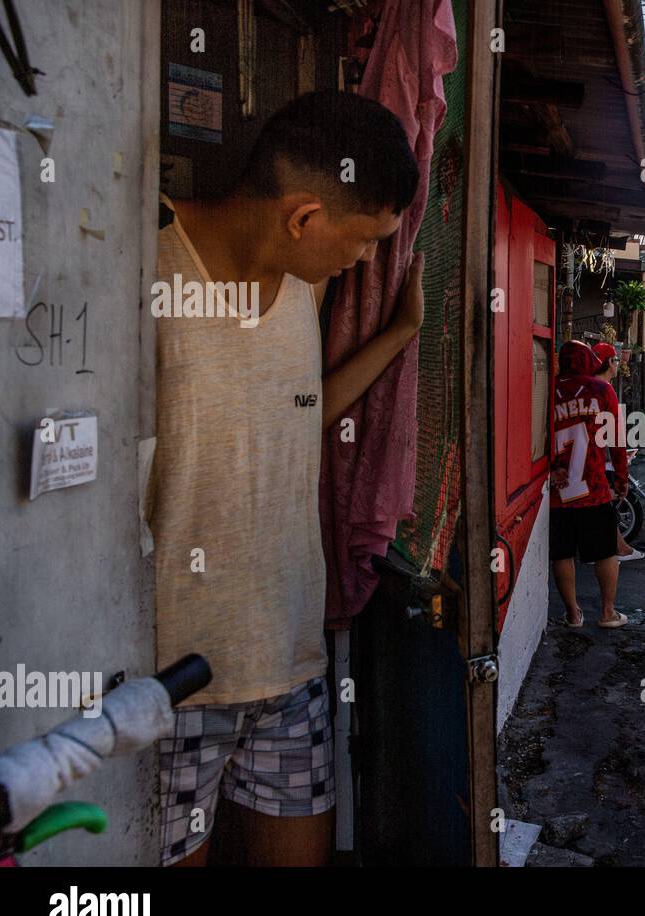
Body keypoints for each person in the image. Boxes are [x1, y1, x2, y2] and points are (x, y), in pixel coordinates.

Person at [150, 91, 424, 866]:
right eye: (363, 241)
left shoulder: (302, 285)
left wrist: (402, 332)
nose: (366, 261)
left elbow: (297, 413)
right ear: (304, 217)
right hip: (169, 679)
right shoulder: (146, 262)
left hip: (289, 658)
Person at [552, 340, 630, 627]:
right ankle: (608, 613)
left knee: (562, 553)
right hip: (594, 489)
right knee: (605, 551)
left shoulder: (548, 391)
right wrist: (621, 477)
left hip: (558, 492)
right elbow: (616, 440)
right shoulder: (602, 390)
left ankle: (573, 614)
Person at [593, 342, 643, 562]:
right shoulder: (604, 390)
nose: (618, 364)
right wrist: (621, 474)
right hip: (596, 460)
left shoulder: (585, 388)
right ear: (608, 363)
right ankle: (613, 550)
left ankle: (618, 546)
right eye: (615, 360)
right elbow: (614, 436)